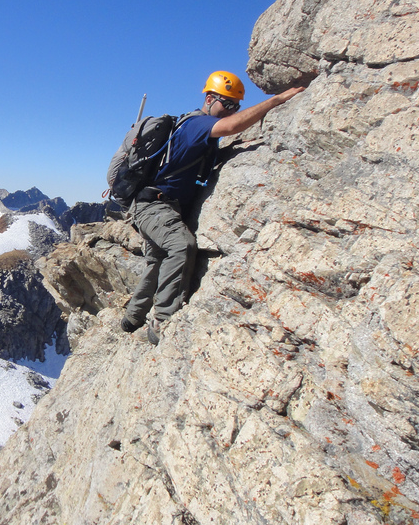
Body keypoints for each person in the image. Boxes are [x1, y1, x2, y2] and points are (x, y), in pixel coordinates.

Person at [121, 71, 306, 344]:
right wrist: (276, 100)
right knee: (180, 246)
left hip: (154, 204)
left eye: (236, 105)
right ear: (209, 98)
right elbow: (231, 127)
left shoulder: (192, 127)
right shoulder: (199, 124)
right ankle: (162, 319)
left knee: (157, 260)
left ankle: (132, 318)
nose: (232, 110)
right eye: (227, 103)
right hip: (155, 206)